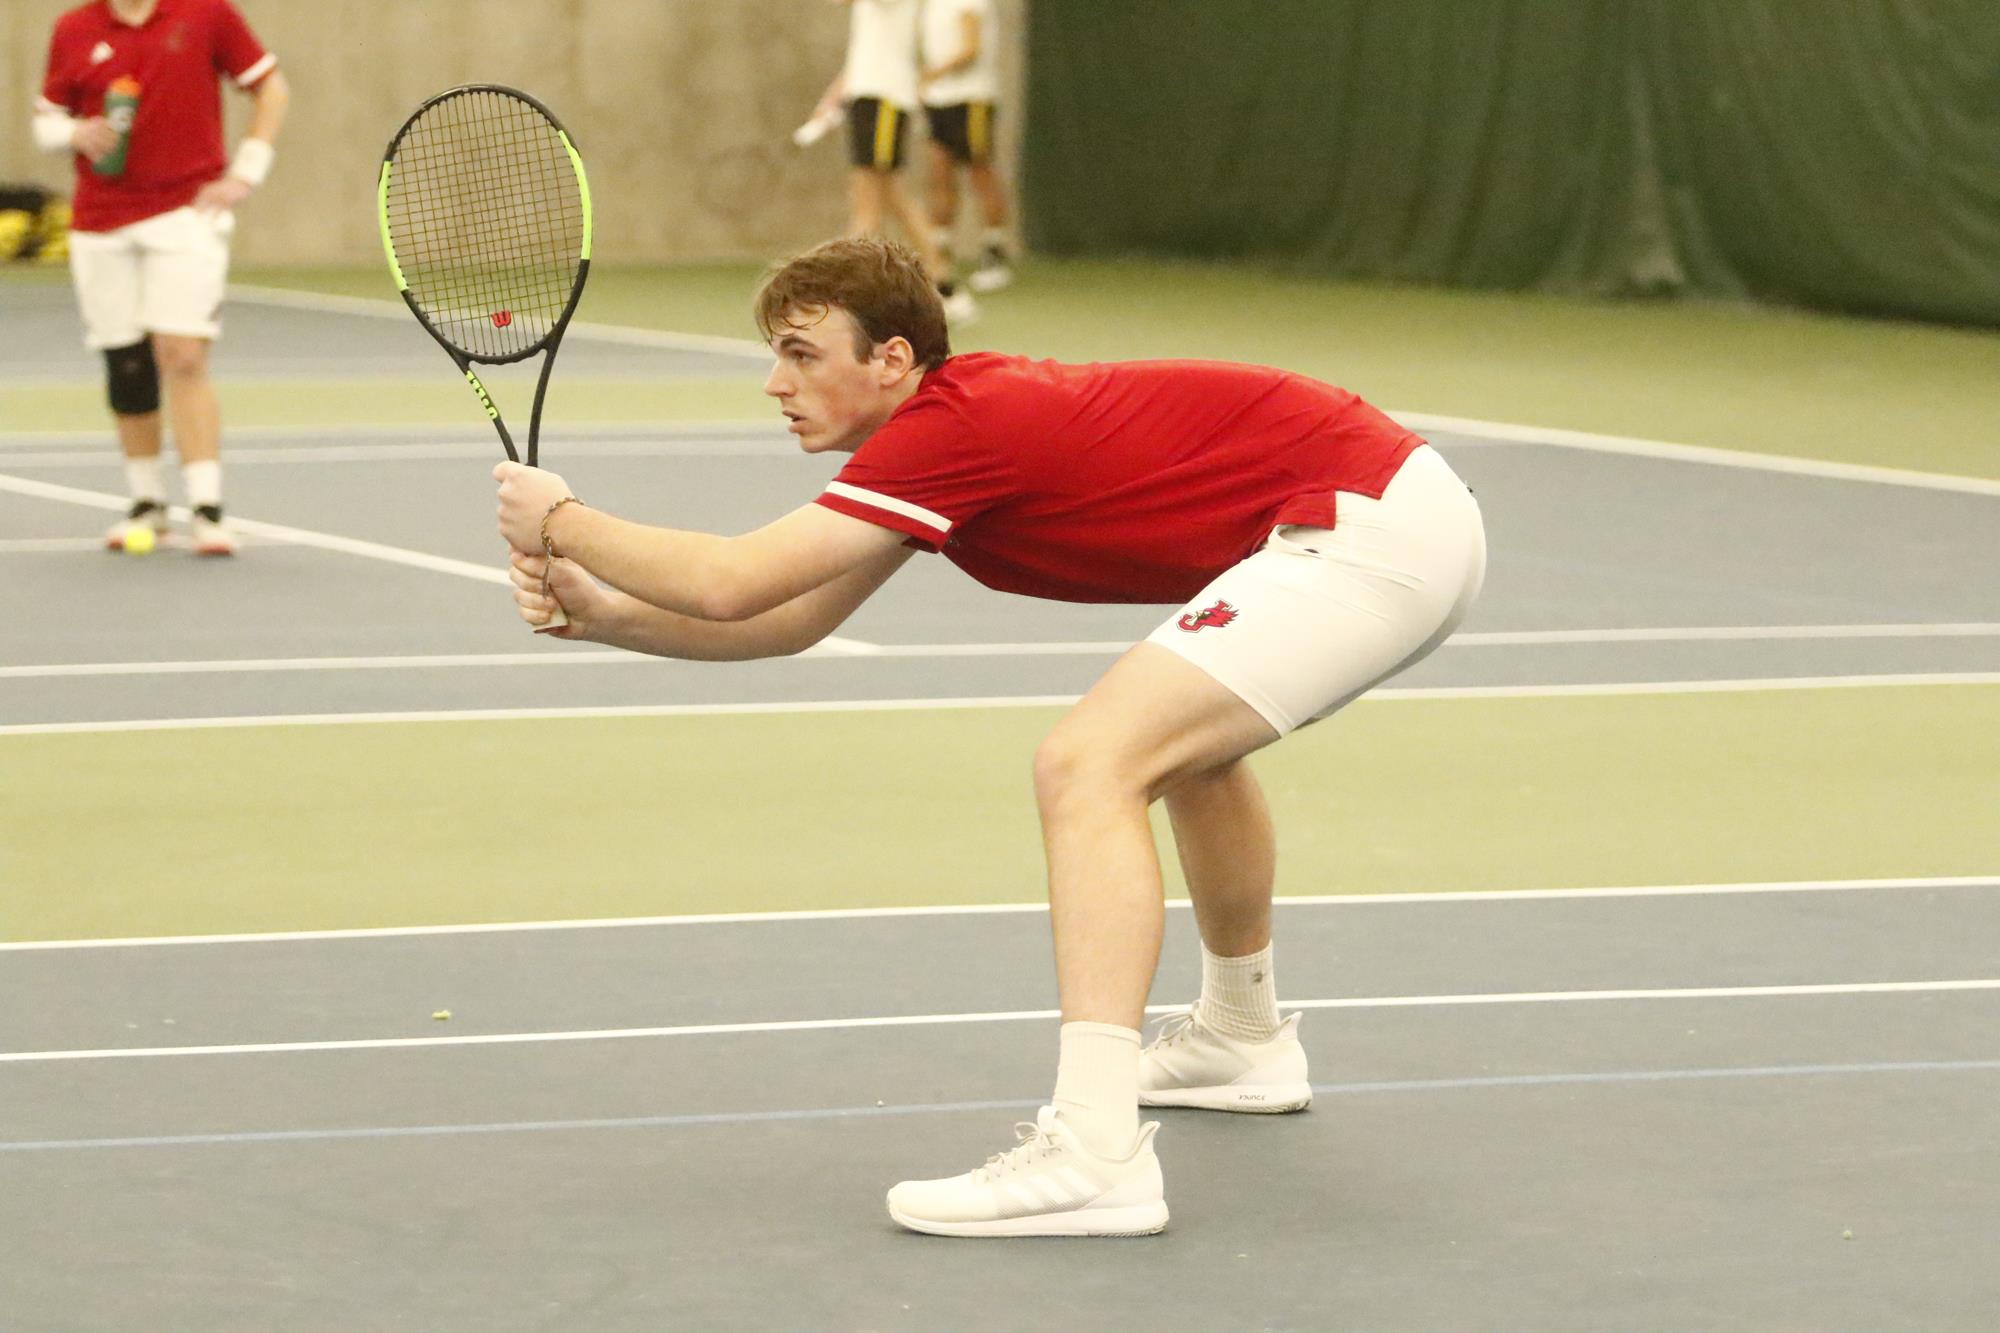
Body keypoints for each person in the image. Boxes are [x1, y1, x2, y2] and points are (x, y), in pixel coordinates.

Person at [492, 237, 1487, 1238]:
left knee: (1089, 762)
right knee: (1186, 748)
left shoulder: (957, 422)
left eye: (801, 353)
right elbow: (785, 619)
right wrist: (604, 613)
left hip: (1364, 524)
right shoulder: (936, 443)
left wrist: (563, 518)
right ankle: (1238, 1036)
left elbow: (729, 580)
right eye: (774, 356)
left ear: (890, 358)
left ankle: (1093, 1155)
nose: (774, 382)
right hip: (1391, 518)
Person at [31, 0, 289, 556]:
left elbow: (271, 88)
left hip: (185, 214)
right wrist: (76, 133)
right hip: (99, 221)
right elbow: (45, 122)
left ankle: (207, 508)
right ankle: (146, 502)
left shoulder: (207, 14)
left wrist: (246, 173)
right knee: (125, 361)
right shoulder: (74, 28)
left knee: (183, 354)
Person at [807, 0, 977, 324]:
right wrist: (836, 95)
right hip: (868, 93)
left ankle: (841, 292)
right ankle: (944, 286)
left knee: (867, 200)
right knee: (891, 195)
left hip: (884, 97)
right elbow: (868, 50)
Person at [918, 0, 1015, 292]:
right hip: (938, 101)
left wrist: (930, 74)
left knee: (980, 173)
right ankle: (939, 254)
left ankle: (994, 254)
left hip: (972, 100)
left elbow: (970, 49)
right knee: (940, 175)